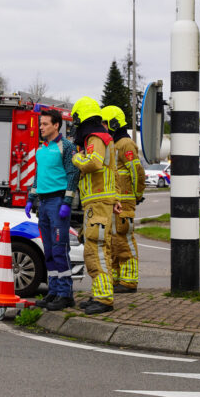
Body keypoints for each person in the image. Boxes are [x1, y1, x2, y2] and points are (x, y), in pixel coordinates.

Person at [70, 97, 121, 315]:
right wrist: (117, 198)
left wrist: (76, 159)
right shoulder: (101, 138)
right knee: (97, 250)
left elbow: (94, 163)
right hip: (99, 202)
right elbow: (114, 173)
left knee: (96, 251)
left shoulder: (95, 138)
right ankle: (101, 295)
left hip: (98, 202)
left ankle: (104, 299)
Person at [26, 108, 79, 311]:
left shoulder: (66, 147)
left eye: (45, 124)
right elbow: (38, 176)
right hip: (44, 203)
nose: (41, 127)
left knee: (59, 249)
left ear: (56, 125)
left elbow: (73, 175)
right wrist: (31, 198)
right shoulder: (41, 149)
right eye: (41, 124)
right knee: (48, 250)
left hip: (58, 202)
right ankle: (54, 291)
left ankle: (66, 294)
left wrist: (67, 202)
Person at [101, 105, 145, 294]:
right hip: (115, 201)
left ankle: (129, 281)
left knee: (124, 241)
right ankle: (118, 278)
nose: (102, 127)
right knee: (114, 242)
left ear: (113, 123)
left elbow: (137, 172)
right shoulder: (114, 145)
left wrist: (137, 194)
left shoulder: (125, 144)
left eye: (104, 123)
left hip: (124, 202)